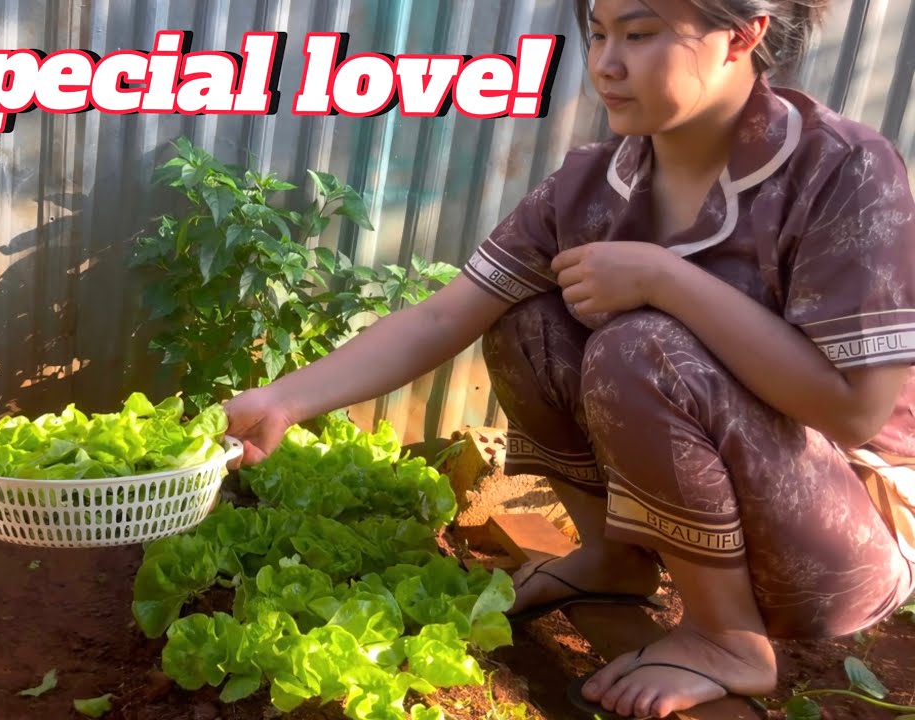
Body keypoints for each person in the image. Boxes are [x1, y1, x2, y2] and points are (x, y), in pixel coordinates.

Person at [222, 0, 915, 717]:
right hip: (744, 507)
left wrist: (664, 278)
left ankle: (726, 638)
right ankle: (613, 560)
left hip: (844, 538)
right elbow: (443, 314)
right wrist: (283, 401)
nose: (607, 64)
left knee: (641, 346)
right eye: (599, 33)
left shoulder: (842, 169)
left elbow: (857, 410)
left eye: (641, 34)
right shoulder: (594, 182)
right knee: (528, 321)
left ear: (741, 36)